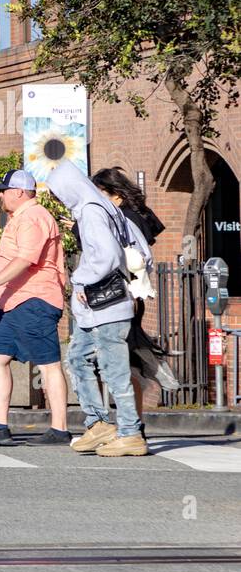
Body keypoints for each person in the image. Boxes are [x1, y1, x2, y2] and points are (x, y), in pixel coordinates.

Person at [48, 160, 152, 456]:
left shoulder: (92, 212)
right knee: (78, 358)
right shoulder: (110, 211)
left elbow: (104, 256)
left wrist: (80, 280)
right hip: (104, 306)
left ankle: (130, 433)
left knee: (114, 369)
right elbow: (142, 251)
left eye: (59, 194)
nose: (59, 199)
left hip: (105, 306)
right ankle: (98, 423)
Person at [0, 169, 70, 445]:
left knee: (48, 364)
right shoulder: (20, 218)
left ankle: (60, 428)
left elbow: (25, 259)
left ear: (18, 192)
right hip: (13, 302)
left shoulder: (34, 217)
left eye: (2, 190)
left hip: (33, 300)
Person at [92, 166, 176, 419]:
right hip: (133, 296)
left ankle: (122, 422)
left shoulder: (122, 219)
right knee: (126, 361)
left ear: (115, 194)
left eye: (100, 194)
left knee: (117, 362)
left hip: (119, 295)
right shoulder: (136, 216)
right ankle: (131, 421)